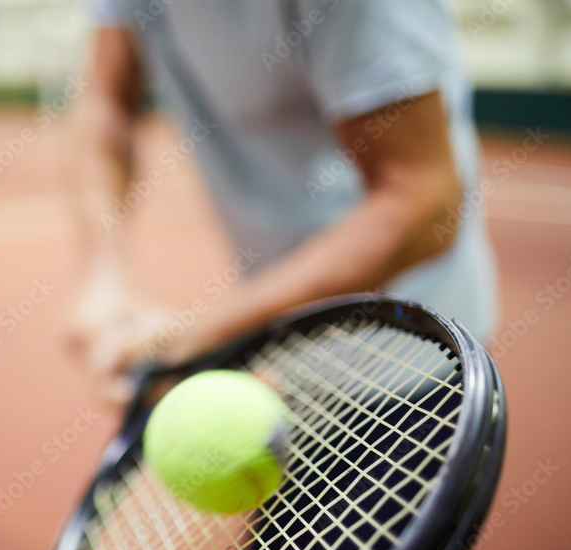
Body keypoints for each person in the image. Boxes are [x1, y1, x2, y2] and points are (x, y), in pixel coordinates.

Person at [65, 0, 498, 407]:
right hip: (276, 355)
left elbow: (423, 201)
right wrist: (106, 276)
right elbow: (108, 103)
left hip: (407, 357)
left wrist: (212, 334)